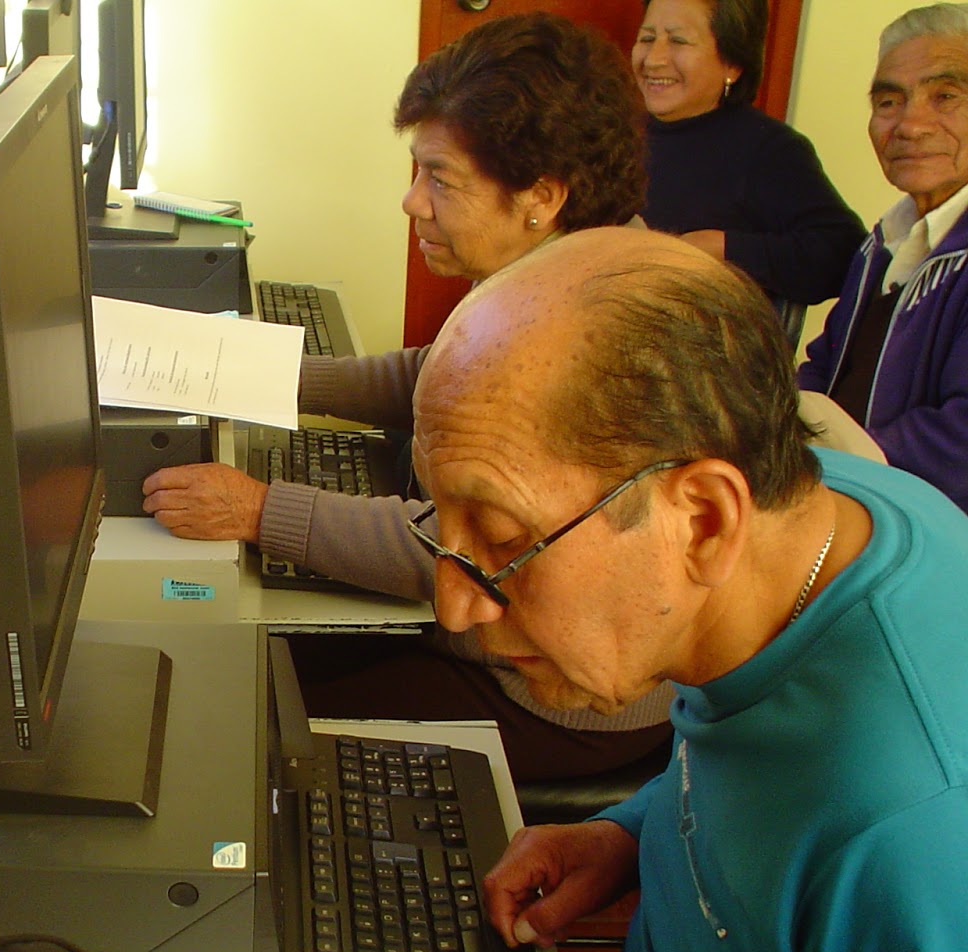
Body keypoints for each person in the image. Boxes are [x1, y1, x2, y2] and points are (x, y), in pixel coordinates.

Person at [421, 225, 968, 952]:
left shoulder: (918, 831)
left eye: (500, 540)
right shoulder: (816, 509)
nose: (455, 603)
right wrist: (630, 834)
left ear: (702, 518)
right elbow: (757, 767)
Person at [143, 13, 672, 783]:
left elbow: (476, 551)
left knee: (236, 720)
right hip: (469, 630)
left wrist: (259, 510)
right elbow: (432, 375)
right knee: (230, 646)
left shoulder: (600, 334)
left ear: (543, 195)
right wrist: (258, 375)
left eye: (440, 180)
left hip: (541, 689)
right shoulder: (549, 275)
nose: (412, 202)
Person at [798, 3, 968, 513]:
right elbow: (823, 370)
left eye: (945, 96)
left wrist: (827, 463)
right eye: (890, 101)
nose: (910, 125)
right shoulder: (884, 245)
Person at [634, 0, 863, 311]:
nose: (654, 59)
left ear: (732, 64)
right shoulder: (611, 131)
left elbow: (842, 252)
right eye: (647, 38)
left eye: (678, 41)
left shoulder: (767, 150)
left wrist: (723, 248)